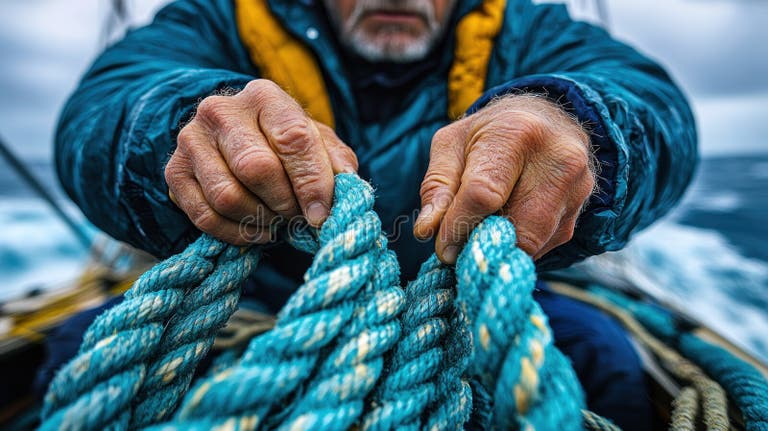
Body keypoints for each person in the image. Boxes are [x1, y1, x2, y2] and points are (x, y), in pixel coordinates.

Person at [48, 0, 697, 429]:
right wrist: (181, 128)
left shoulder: (529, 28)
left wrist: (580, 126)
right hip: (260, 297)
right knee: (76, 353)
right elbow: (103, 105)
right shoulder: (221, 17)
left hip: (468, 308)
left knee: (605, 360)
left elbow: (653, 104)